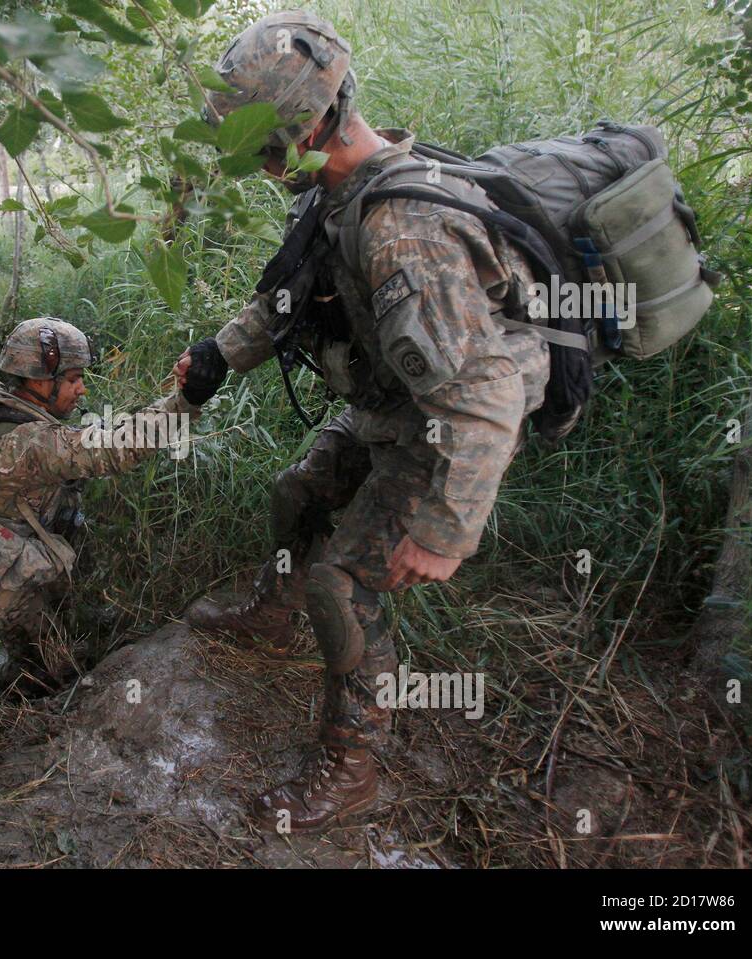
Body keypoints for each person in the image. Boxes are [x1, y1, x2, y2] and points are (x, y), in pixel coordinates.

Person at [175, 10, 552, 832]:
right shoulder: (336, 192)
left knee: (340, 581)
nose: (267, 168)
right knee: (297, 492)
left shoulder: (403, 231)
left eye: (269, 150)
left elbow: (482, 396)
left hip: (443, 429)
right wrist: (215, 355)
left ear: (313, 124)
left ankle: (352, 766)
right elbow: (285, 295)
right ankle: (272, 616)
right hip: (390, 407)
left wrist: (446, 529)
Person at [0, 318, 201, 740]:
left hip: (6, 547)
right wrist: (186, 401)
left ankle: (61, 648)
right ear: (38, 381)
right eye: (72, 379)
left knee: (68, 629)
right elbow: (116, 449)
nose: (82, 389)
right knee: (46, 673)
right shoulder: (25, 443)